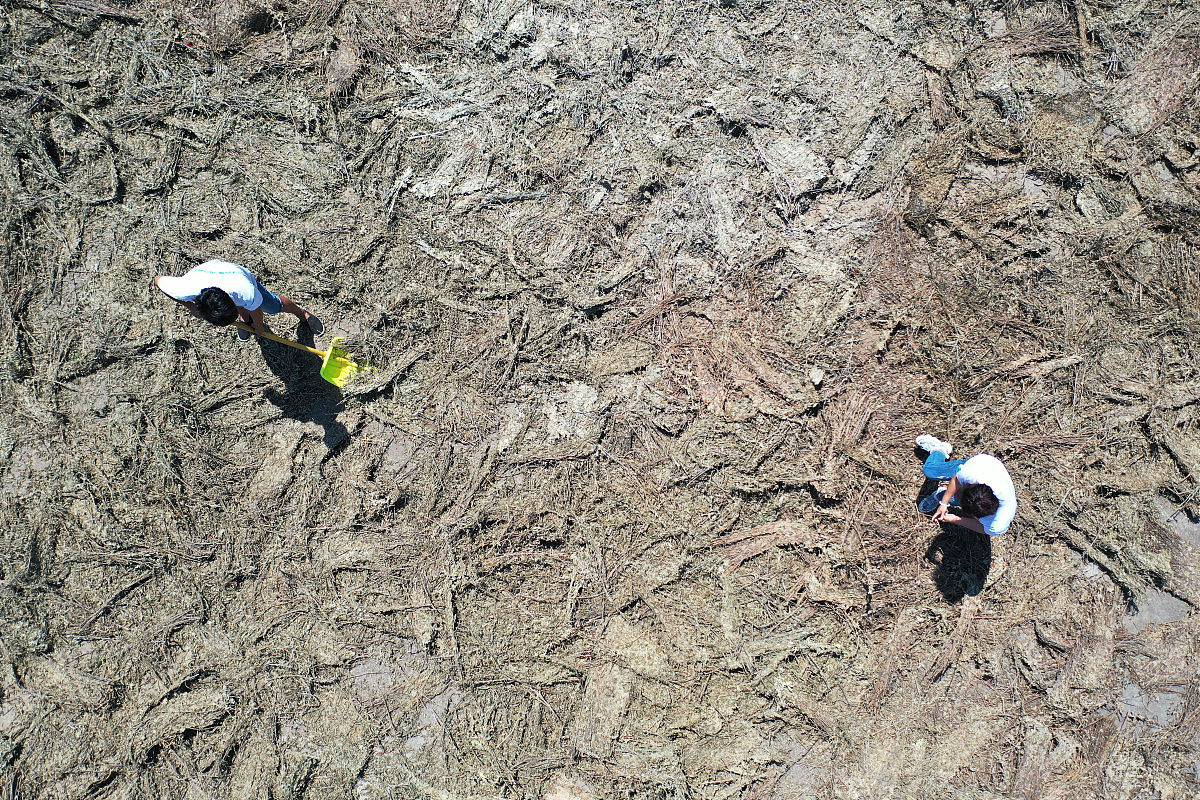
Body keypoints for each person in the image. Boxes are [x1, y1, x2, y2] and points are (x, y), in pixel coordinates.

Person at [154, 259, 324, 342]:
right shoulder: (183, 289)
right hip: (206, 273)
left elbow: (257, 309)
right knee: (246, 309)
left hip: (233, 272)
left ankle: (303, 313)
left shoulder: (245, 290)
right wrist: (188, 305)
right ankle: (244, 318)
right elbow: (158, 280)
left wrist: (258, 326)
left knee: (272, 306)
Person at [914, 435, 1016, 536]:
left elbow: (984, 528)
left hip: (982, 480)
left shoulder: (998, 524)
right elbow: (956, 479)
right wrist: (944, 503)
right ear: (970, 485)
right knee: (930, 470)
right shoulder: (974, 474)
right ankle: (940, 450)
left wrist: (955, 519)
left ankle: (940, 494)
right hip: (982, 464)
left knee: (953, 498)